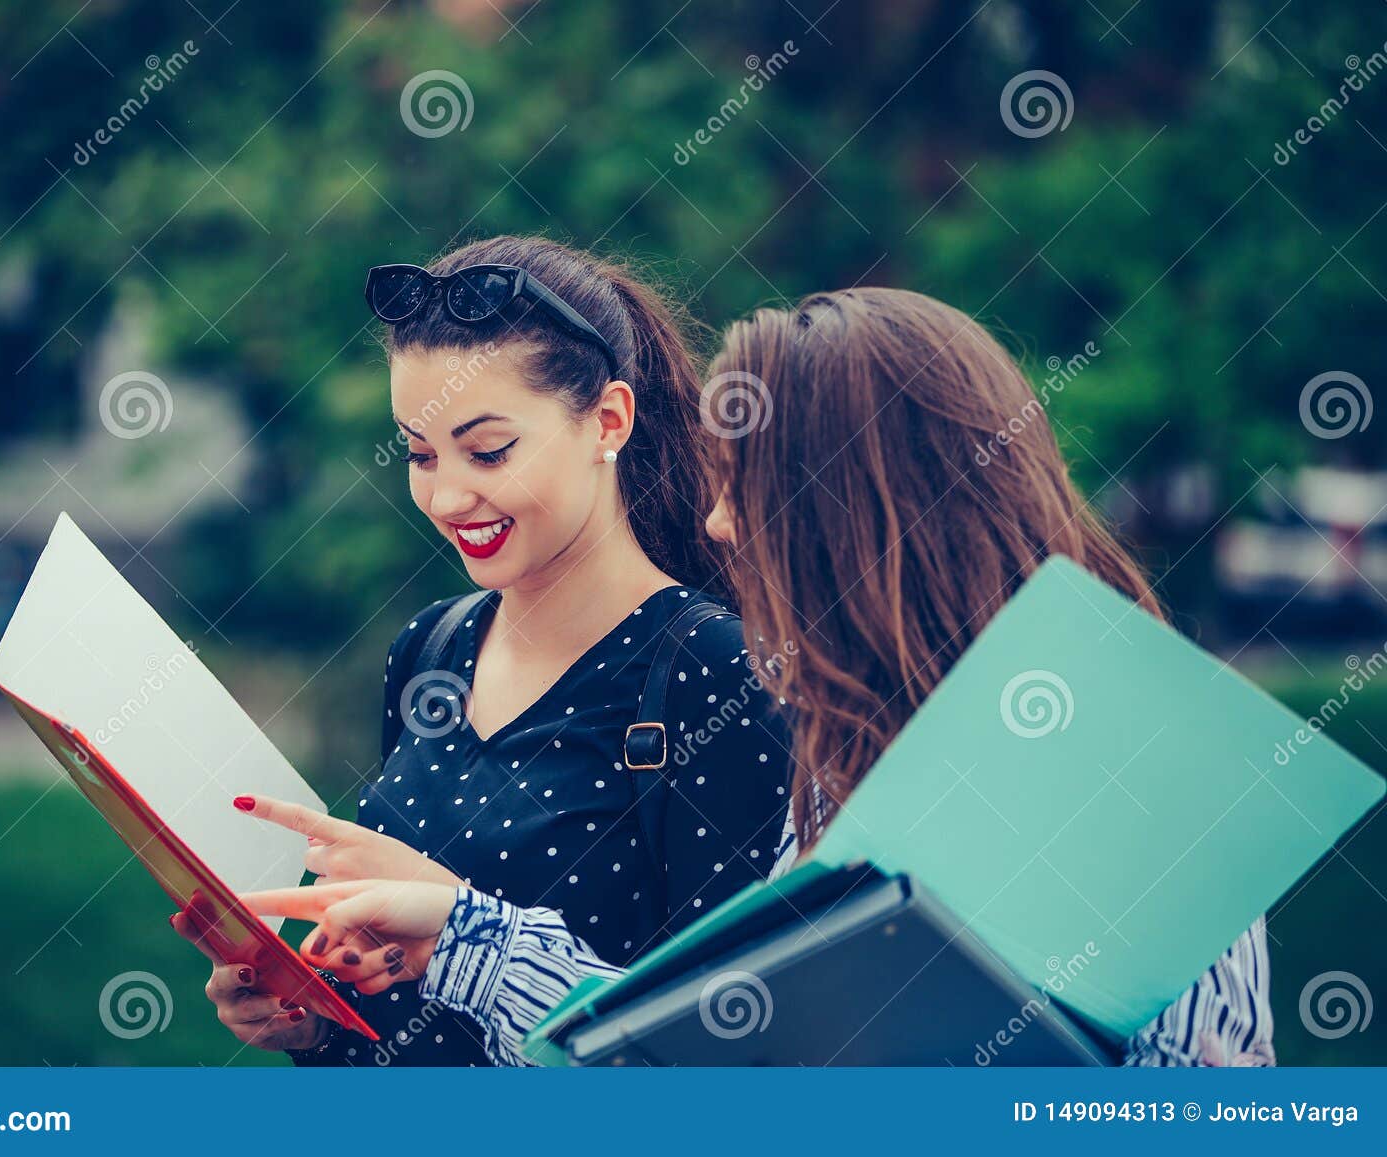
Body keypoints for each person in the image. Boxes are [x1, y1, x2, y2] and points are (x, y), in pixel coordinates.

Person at [238, 287, 1275, 1068]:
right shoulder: (842, 749)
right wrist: (463, 936)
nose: (721, 525)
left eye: (749, 492)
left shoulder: (1123, 760)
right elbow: (730, 1065)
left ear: (857, 511)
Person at [174, 237, 793, 1065]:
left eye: (489, 450)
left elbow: (726, 1050)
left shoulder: (713, 671)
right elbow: (406, 1035)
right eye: (422, 455)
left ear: (608, 419)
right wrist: (316, 1017)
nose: (449, 495)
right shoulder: (430, 646)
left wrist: (466, 929)